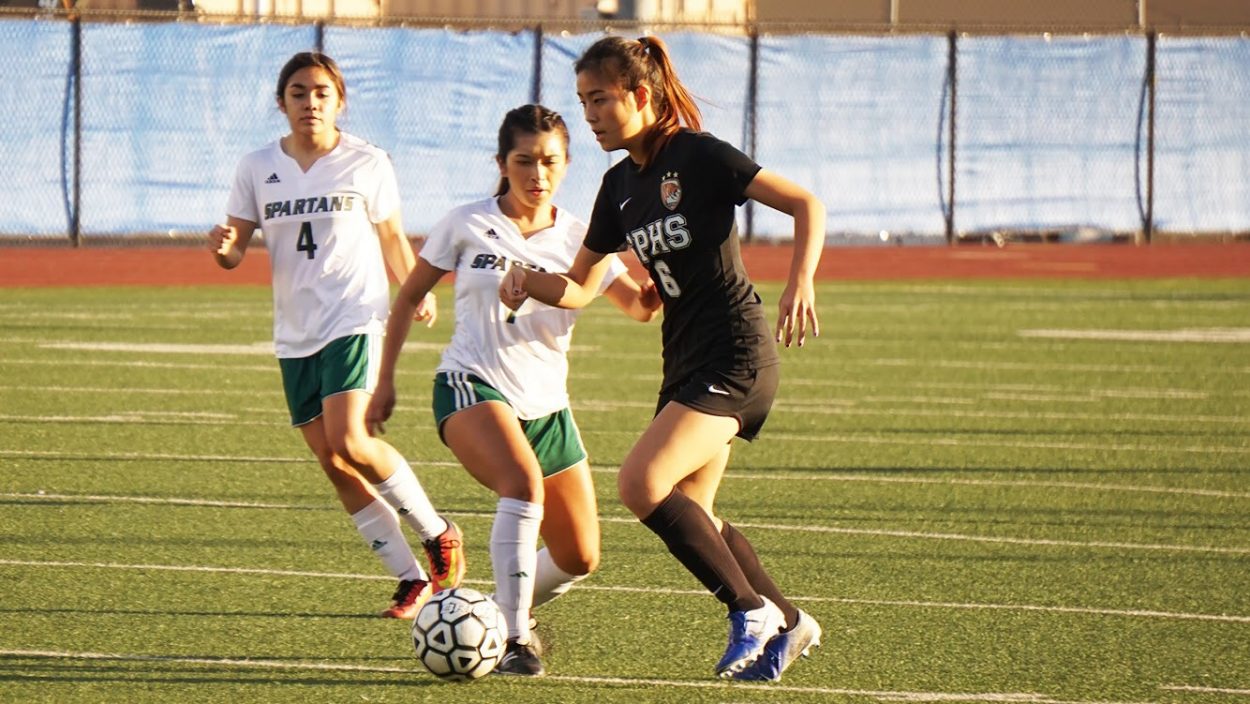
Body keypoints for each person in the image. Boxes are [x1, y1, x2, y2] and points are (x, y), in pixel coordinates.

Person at [498, 35, 825, 682]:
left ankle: (749, 609)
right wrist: (527, 281)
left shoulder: (697, 155)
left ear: (640, 94)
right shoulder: (619, 186)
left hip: (735, 353)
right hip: (684, 362)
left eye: (600, 99)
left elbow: (804, 204)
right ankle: (790, 622)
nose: (589, 114)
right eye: (582, 101)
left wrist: (801, 282)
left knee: (640, 484)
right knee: (694, 509)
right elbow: (581, 286)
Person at [366, 104, 661, 677]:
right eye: (524, 160)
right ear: (501, 163)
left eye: (550, 161)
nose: (537, 173)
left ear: (567, 164)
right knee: (522, 485)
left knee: (580, 555)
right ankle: (515, 639)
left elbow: (640, 307)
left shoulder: (584, 237)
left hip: (547, 408)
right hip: (470, 384)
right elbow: (409, 296)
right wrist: (385, 381)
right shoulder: (465, 223)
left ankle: (496, 612)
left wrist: (662, 278)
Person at [207, 51, 465, 620]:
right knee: (332, 461)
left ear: (339, 101)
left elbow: (393, 238)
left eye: (322, 92)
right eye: (298, 93)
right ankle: (410, 578)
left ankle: (437, 531)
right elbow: (234, 250)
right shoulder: (256, 167)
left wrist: (415, 288)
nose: (311, 102)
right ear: (282, 103)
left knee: (349, 439)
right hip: (294, 333)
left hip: (354, 317)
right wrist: (223, 247)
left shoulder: (367, 162)